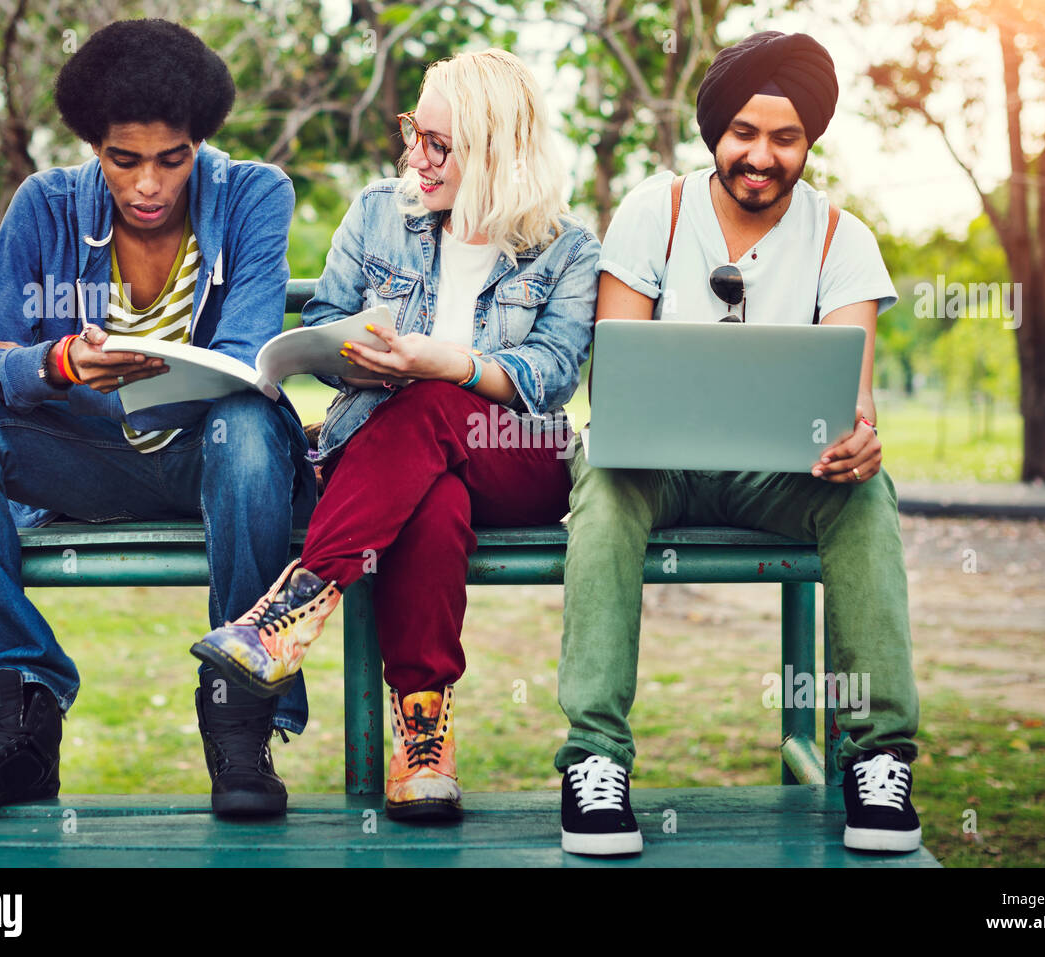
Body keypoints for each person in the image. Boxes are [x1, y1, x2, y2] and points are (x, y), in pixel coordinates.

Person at [0, 19, 314, 819]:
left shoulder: (254, 195)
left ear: (199, 143)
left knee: (244, 426)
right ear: (93, 148)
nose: (149, 186)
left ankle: (239, 715)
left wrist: (65, 365)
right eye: (123, 160)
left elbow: (245, 355)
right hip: (92, 459)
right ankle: (18, 712)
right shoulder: (46, 205)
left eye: (173, 158)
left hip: (220, 457)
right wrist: (57, 362)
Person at [191, 48, 598, 821]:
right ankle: (423, 733)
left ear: (494, 148)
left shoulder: (569, 247)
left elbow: (549, 375)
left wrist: (440, 361)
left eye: (437, 142)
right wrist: (358, 363)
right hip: (384, 458)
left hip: (516, 458)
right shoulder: (380, 209)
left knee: (437, 403)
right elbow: (321, 321)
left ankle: (295, 606)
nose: (415, 155)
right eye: (415, 132)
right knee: (433, 499)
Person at [554, 31, 922, 856]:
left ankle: (877, 758)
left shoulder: (842, 238)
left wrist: (860, 442)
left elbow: (852, 399)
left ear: (809, 141)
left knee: (868, 490)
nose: (761, 156)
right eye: (745, 134)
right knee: (605, 482)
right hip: (655, 467)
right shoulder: (657, 210)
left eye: (785, 138)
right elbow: (614, 372)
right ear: (715, 132)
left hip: (779, 475)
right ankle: (595, 762)